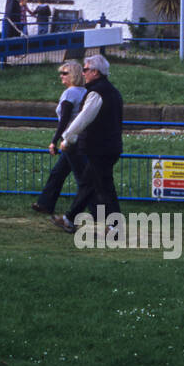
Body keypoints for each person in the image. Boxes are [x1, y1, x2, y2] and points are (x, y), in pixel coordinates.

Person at [55, 54, 124, 232]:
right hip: (109, 146)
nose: (83, 73)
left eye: (85, 69)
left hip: (99, 148)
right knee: (89, 184)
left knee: (104, 187)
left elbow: (83, 119)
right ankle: (69, 219)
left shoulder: (96, 93)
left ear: (95, 71)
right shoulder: (113, 91)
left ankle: (114, 226)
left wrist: (67, 137)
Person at [32, 61, 88, 227]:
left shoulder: (69, 94)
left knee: (83, 180)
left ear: (74, 75)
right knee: (58, 172)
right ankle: (45, 203)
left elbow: (64, 120)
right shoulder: (85, 92)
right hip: (79, 139)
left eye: (65, 73)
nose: (61, 76)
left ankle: (96, 209)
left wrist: (54, 140)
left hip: (70, 141)